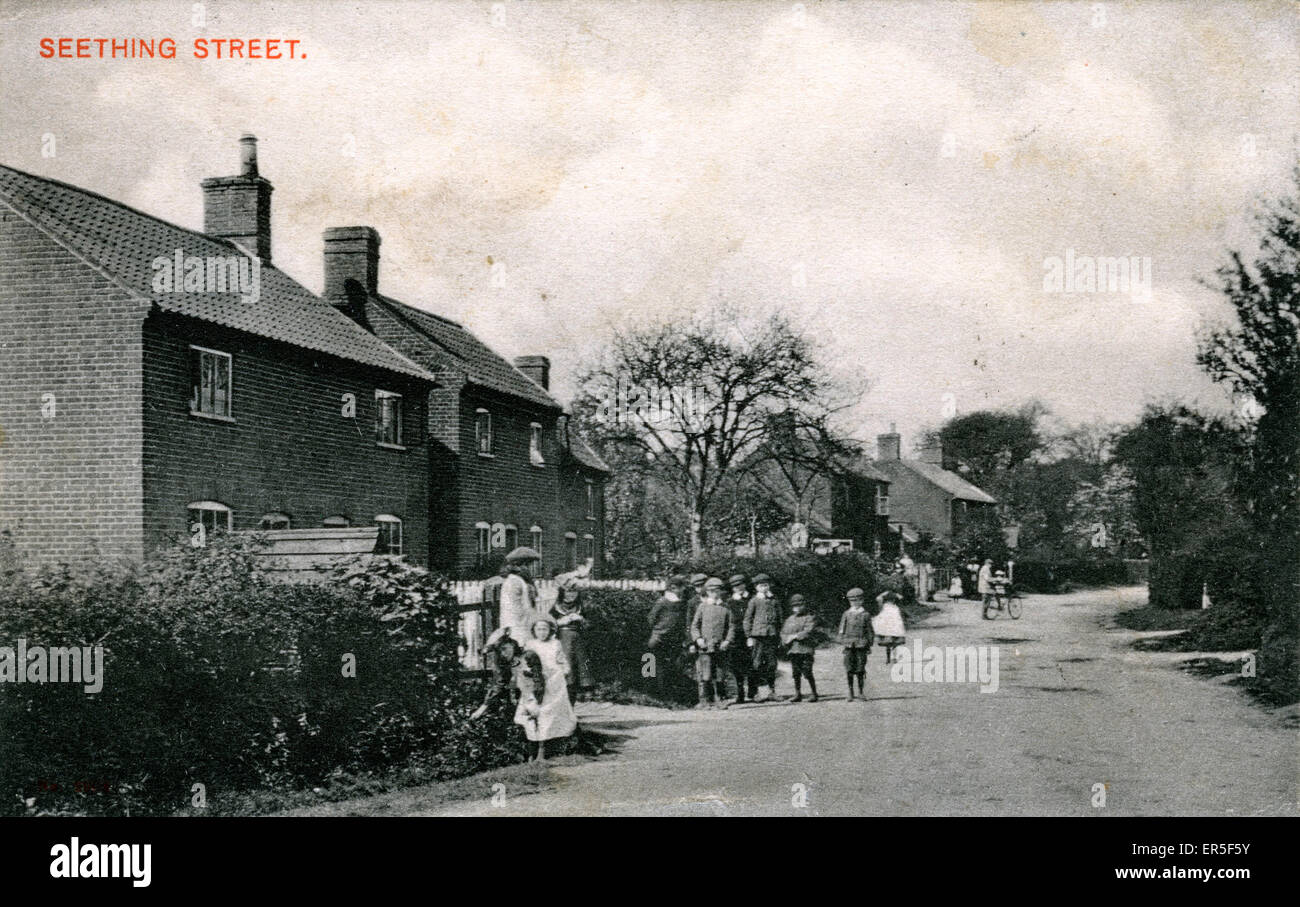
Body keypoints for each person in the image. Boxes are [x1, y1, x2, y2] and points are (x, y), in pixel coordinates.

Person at [514, 616, 578, 760]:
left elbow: (562, 661)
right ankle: (532, 750)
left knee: (548, 715)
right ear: (534, 631)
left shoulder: (555, 643)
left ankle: (543, 751)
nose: (542, 632)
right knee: (532, 713)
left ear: (550, 630)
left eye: (545, 629)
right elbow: (524, 662)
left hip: (553, 684)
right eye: (538, 629)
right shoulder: (530, 644)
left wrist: (564, 672)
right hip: (536, 682)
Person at [689, 577, 736, 709]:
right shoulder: (702, 607)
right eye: (711, 591)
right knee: (705, 674)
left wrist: (727, 641)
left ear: (721, 592)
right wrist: (698, 639)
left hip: (720, 646)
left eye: (717, 591)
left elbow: (731, 626)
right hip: (705, 647)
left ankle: (720, 699)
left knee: (720, 674)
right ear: (707, 592)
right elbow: (694, 626)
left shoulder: (726, 608)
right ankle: (704, 700)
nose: (714, 594)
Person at [550, 578, 595, 700]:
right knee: (566, 667)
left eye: (574, 591)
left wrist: (581, 619)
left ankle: (581, 693)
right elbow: (547, 624)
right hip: (563, 640)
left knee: (580, 667)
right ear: (562, 592)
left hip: (579, 640)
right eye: (568, 591)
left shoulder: (581, 607)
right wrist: (560, 622)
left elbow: (591, 625)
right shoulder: (556, 607)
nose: (571, 595)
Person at [647, 575, 690, 699]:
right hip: (659, 637)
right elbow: (651, 618)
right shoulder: (662, 602)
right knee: (650, 662)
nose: (683, 590)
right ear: (673, 588)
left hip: (674, 639)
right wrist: (659, 630)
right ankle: (650, 692)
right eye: (680, 588)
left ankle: (667, 694)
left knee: (672, 666)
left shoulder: (682, 603)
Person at [743, 572, 784, 702]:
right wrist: (748, 636)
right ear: (756, 587)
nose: (764, 588)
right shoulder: (754, 601)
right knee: (757, 664)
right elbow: (747, 619)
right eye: (761, 586)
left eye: (766, 585)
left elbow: (780, 619)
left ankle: (772, 691)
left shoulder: (774, 600)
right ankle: (756, 693)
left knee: (772, 664)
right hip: (758, 636)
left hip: (771, 635)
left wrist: (780, 634)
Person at [780, 595, 819, 702]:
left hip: (805, 650)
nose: (797, 608)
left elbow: (808, 631)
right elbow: (783, 632)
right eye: (794, 606)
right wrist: (785, 639)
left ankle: (814, 693)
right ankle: (797, 693)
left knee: (807, 671)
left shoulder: (809, 617)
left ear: (804, 605)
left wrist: (794, 636)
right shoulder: (789, 619)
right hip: (793, 650)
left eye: (800, 605)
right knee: (796, 673)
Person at [838, 588, 874, 700]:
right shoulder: (846, 614)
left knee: (860, 669)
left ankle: (861, 692)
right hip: (849, 644)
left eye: (858, 600)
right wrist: (842, 640)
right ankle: (850, 692)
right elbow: (841, 629)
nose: (855, 603)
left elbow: (870, 631)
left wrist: (869, 644)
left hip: (861, 644)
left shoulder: (866, 615)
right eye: (852, 601)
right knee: (849, 668)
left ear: (862, 600)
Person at [500, 547, 542, 640]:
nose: (530, 568)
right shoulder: (514, 581)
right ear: (519, 565)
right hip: (517, 624)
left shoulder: (522, 580)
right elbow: (518, 605)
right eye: (528, 565)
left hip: (522, 622)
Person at [724, 573, 752, 705]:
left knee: (753, 663)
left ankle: (753, 691)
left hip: (751, 635)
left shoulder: (751, 599)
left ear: (745, 585)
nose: (738, 588)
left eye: (740, 585)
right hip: (736, 636)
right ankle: (740, 692)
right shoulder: (729, 602)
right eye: (735, 587)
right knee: (736, 665)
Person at [872, 590, 907, 663]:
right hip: (889, 628)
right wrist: (894, 594)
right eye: (890, 600)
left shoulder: (894, 607)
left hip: (893, 628)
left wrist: (885, 594)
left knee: (892, 644)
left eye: (892, 600)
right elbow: (878, 598)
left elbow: (878, 598)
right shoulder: (885, 606)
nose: (891, 601)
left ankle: (892, 657)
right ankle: (890, 657)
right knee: (891, 644)